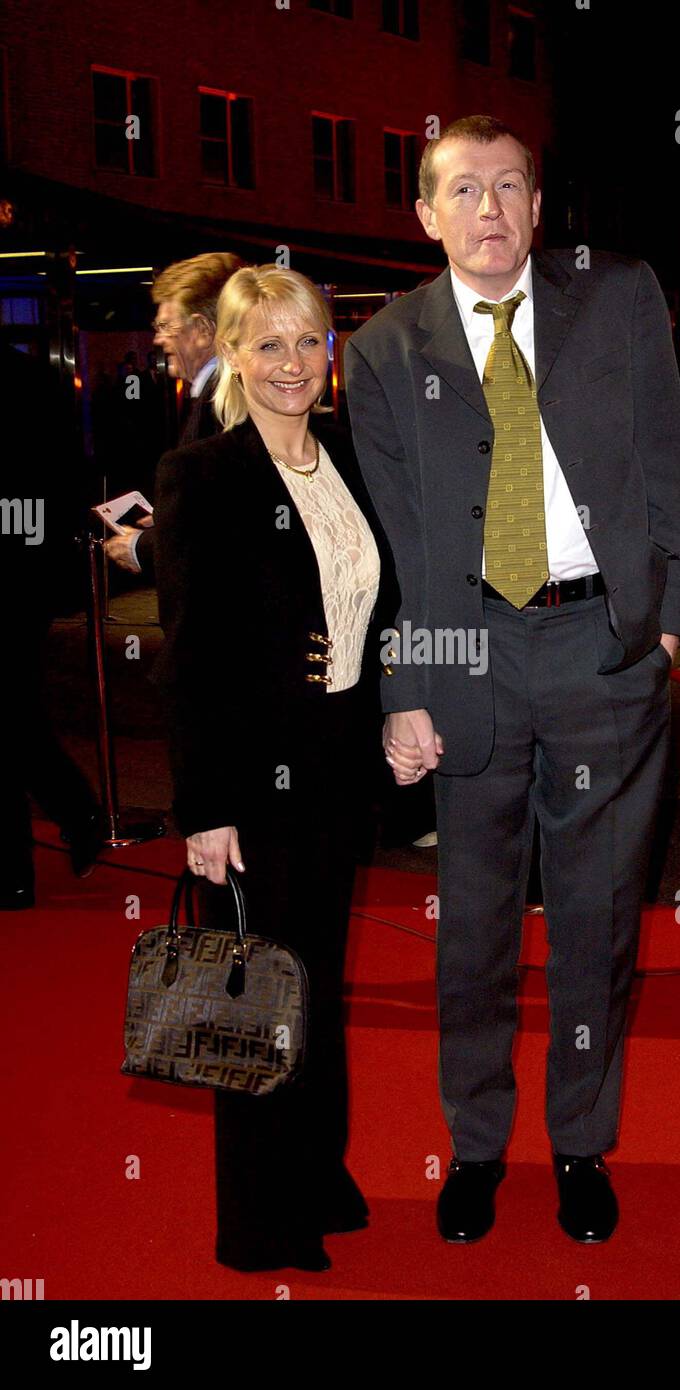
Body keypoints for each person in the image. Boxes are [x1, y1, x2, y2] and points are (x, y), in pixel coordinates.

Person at [344, 115, 680, 1245]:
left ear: (539, 207)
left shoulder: (621, 297)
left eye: (508, 186)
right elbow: (393, 544)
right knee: (475, 924)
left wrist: (672, 624)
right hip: (465, 655)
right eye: (463, 189)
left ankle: (581, 1145)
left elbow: (667, 464)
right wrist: (403, 681)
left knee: (594, 920)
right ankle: (479, 1144)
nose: (488, 209)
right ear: (425, 213)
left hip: (601, 644)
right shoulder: (385, 348)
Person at [149, 264, 395, 1272]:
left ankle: (317, 1174)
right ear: (234, 356)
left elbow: (375, 600)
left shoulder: (347, 455)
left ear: (327, 348)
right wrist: (204, 807)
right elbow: (188, 652)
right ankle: (258, 1217)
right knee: (257, 998)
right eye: (267, 345)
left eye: (306, 342)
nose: (290, 364)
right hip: (252, 782)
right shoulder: (203, 475)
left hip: (337, 769)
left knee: (320, 984)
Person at [0, 343, 102, 909]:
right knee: (16, 716)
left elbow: (58, 478)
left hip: (16, 576)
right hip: (29, 575)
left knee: (10, 717)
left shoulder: (24, 378)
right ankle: (75, 810)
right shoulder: (34, 374)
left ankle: (14, 871)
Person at [105, 252, 243, 579]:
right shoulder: (219, 393)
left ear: (204, 330)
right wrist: (170, 516)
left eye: (166, 326)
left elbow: (231, 526)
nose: (157, 338)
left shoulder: (227, 403)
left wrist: (144, 547)